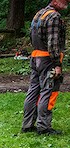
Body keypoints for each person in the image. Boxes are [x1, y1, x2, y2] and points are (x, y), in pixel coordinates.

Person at [22, 0, 66, 135]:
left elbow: (32, 37)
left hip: (36, 56)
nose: (66, 3)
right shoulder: (54, 16)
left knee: (33, 90)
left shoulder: (40, 13)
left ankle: (27, 124)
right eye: (63, 1)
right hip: (48, 59)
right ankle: (44, 126)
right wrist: (57, 64)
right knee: (49, 91)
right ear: (55, 1)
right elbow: (53, 43)